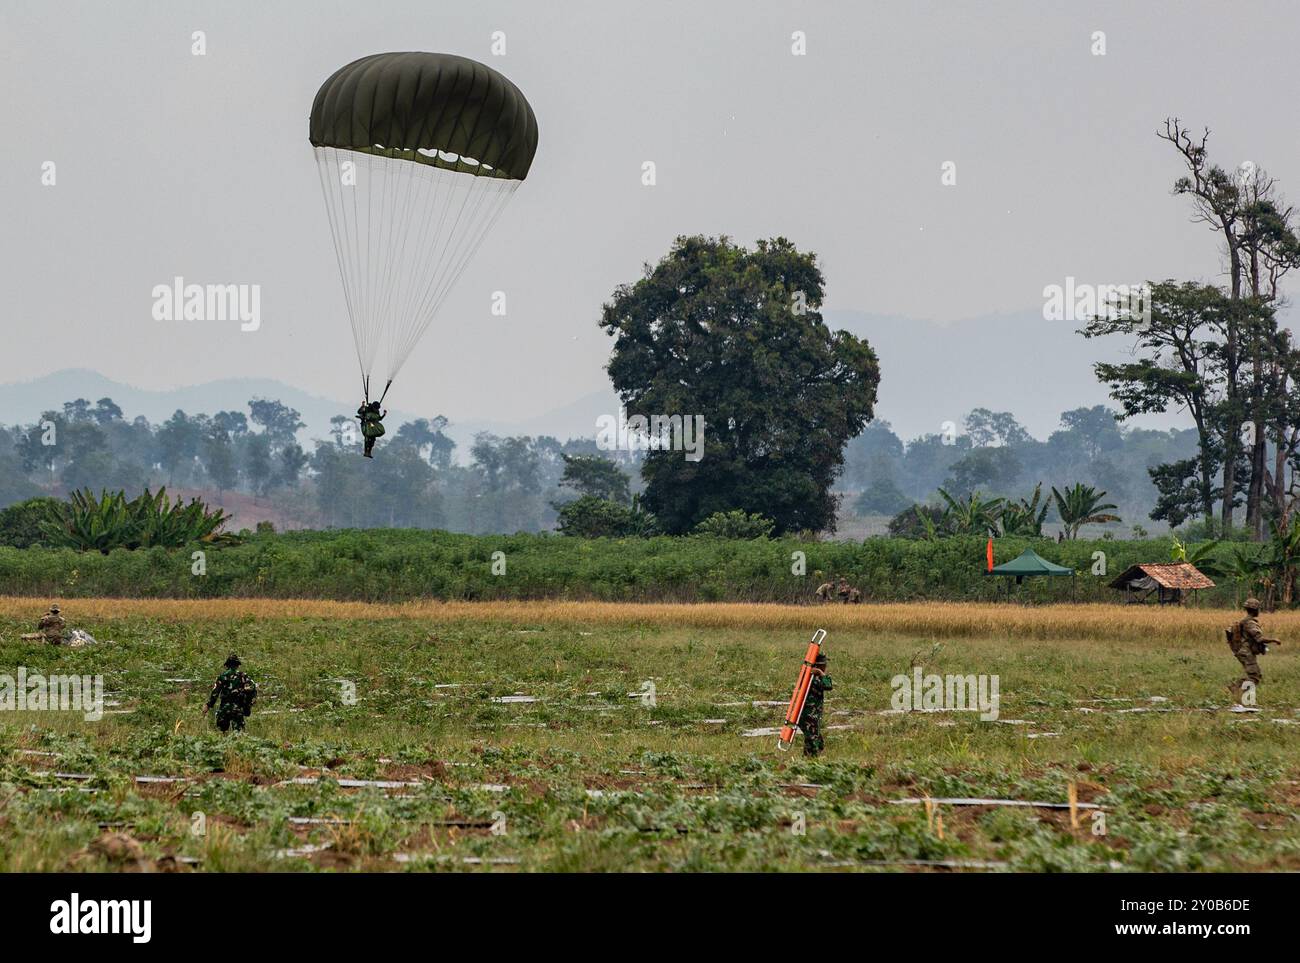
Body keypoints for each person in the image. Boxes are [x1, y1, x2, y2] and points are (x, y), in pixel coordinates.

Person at [1226, 598, 1281, 701]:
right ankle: (1236, 690)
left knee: (1254, 675)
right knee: (1254, 676)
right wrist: (1274, 640)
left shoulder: (1245, 621)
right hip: (1245, 652)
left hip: (1244, 652)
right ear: (1255, 610)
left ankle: (1236, 689)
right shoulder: (1249, 623)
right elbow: (1259, 639)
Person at [204, 653, 258, 732]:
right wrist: (249, 704)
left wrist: (208, 705)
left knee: (222, 732)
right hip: (238, 709)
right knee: (239, 734)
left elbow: (215, 693)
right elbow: (252, 688)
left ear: (227, 665)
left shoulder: (222, 676)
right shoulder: (243, 676)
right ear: (238, 665)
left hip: (224, 708)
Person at [798, 651, 833, 757]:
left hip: (812, 716)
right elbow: (828, 686)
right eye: (824, 665)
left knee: (817, 741)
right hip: (808, 716)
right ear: (819, 666)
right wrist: (820, 673)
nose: (826, 667)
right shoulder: (813, 678)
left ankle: (807, 761)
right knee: (813, 742)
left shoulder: (811, 677)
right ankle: (811, 762)